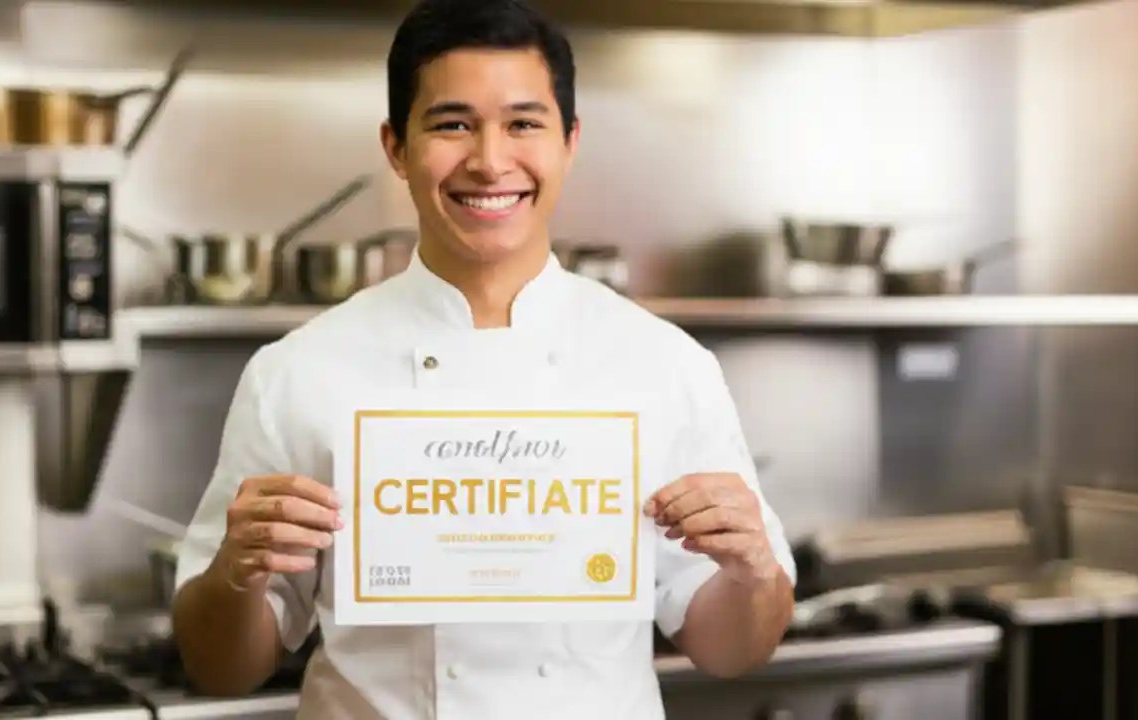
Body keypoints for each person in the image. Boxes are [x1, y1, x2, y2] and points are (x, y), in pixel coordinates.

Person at [172, 1, 796, 717]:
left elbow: (733, 650)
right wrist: (237, 572)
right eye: (452, 124)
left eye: (524, 123)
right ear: (396, 147)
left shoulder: (666, 366)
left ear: (569, 141)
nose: (491, 160)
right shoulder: (297, 373)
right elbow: (218, 667)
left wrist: (751, 572)